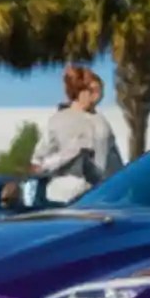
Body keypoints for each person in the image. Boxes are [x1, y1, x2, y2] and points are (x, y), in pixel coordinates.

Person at [30, 66, 123, 203]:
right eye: (92, 91)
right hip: (63, 198)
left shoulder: (103, 123)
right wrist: (68, 155)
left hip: (98, 199)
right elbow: (37, 164)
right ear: (79, 91)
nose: (97, 96)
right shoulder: (59, 120)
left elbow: (115, 162)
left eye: (100, 91)